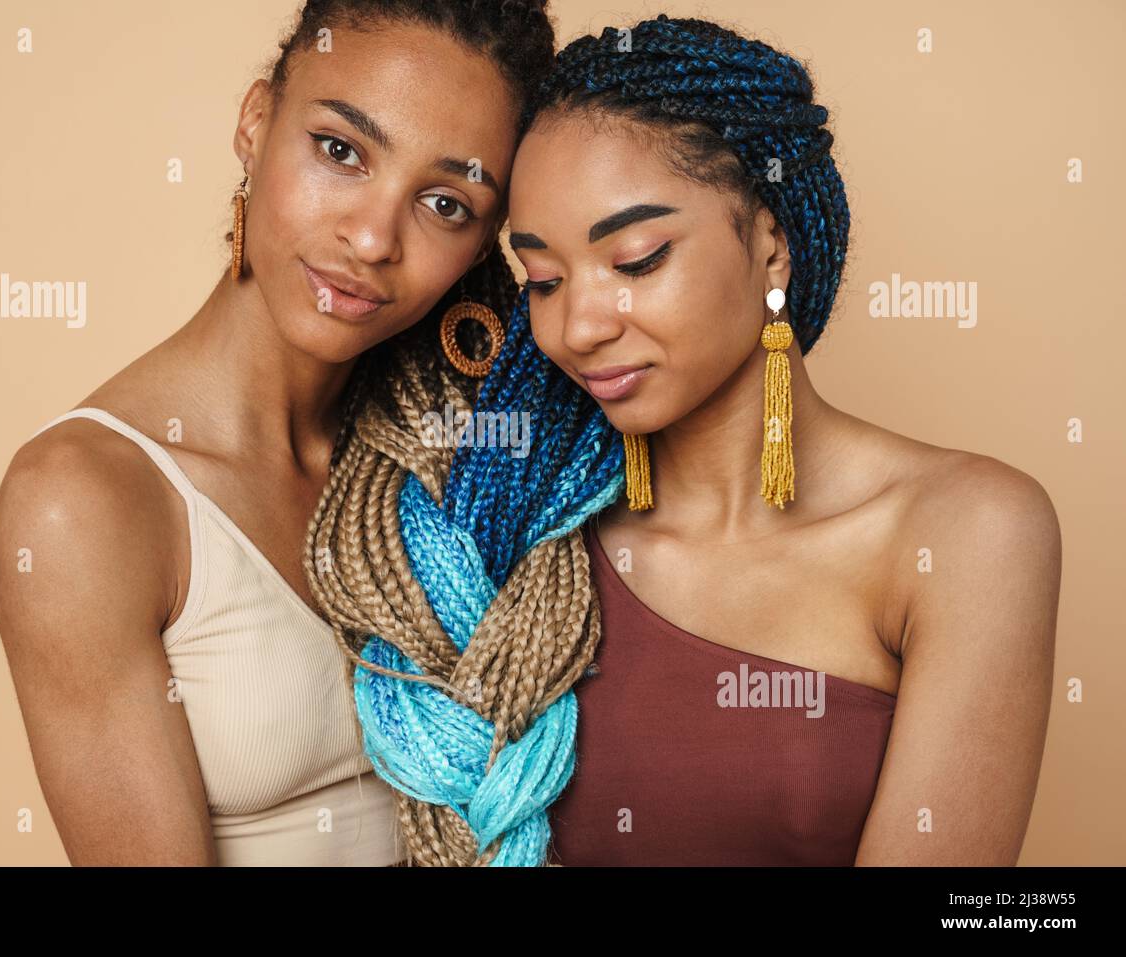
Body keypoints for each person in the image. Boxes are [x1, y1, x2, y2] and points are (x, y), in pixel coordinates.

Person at [307, 14, 1061, 867]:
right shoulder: (539, 548)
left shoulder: (965, 531)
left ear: (770, 247)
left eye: (635, 260)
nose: (579, 325)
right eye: (544, 280)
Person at [0, 0, 556, 866]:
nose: (371, 238)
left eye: (444, 202)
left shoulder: (461, 457)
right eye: (340, 151)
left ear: (485, 241)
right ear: (255, 124)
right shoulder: (84, 500)